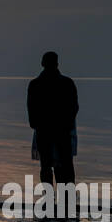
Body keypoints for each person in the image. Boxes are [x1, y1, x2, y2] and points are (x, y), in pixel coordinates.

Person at [27, 51, 78, 187]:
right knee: (64, 166)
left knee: (46, 167)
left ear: (42, 64)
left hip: (44, 131)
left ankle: (50, 199)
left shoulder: (35, 84)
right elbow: (74, 108)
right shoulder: (67, 83)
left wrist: (36, 124)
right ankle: (66, 200)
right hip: (62, 131)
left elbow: (31, 111)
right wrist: (66, 125)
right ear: (57, 64)